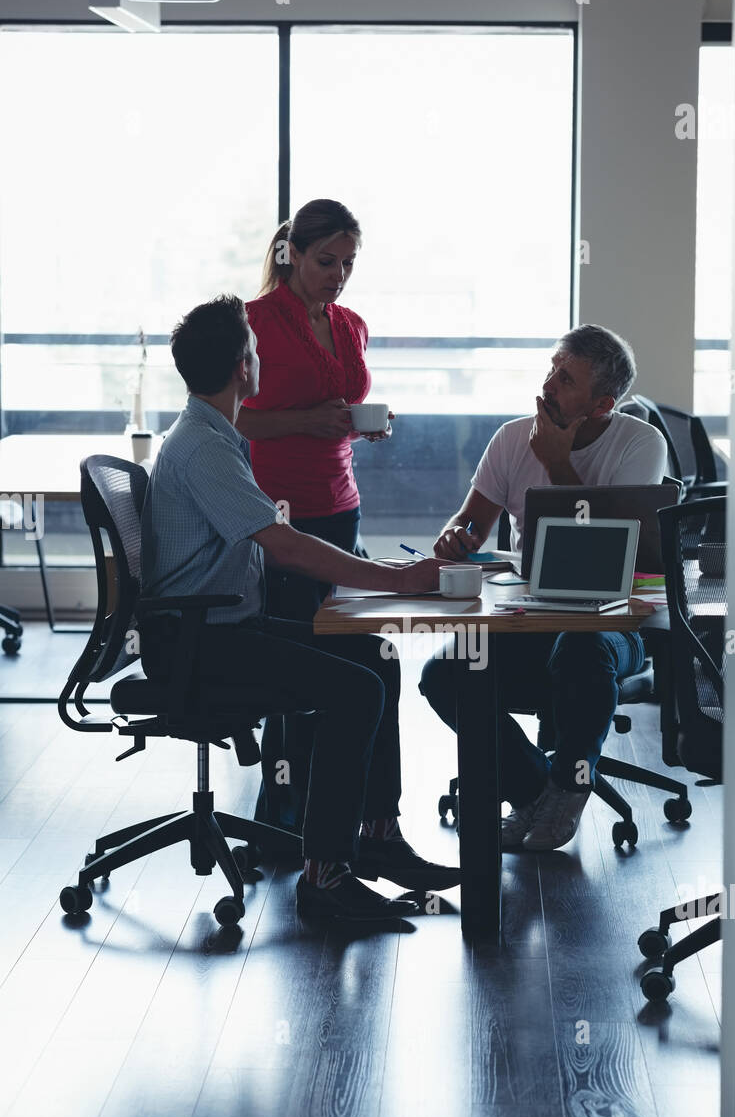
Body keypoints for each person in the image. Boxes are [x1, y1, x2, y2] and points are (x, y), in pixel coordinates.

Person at [139, 293, 460, 924]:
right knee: (355, 691)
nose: (259, 357)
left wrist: (384, 574)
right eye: (254, 349)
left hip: (221, 628)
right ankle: (326, 877)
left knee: (375, 656)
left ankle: (376, 837)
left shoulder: (212, 433)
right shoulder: (204, 447)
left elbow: (277, 544)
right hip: (199, 645)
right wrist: (394, 584)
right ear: (244, 368)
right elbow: (284, 546)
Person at [419, 324, 667, 853]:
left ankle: (569, 788)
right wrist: (454, 539)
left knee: (580, 648)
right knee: (443, 673)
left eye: (566, 379)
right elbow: (468, 523)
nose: (549, 384)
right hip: (531, 618)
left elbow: (605, 547)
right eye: (553, 369)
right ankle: (537, 790)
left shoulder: (640, 443)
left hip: (615, 623)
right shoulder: (512, 438)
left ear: (602, 404)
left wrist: (557, 461)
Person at [235, 200, 389, 830]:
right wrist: (306, 421)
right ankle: (283, 813)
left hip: (339, 503)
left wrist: (362, 426)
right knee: (294, 661)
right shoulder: (253, 321)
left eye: (349, 263)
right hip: (277, 508)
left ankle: (335, 814)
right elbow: (232, 418)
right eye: (326, 261)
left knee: (341, 653)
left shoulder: (351, 324)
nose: (338, 274)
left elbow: (343, 408)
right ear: (292, 253)